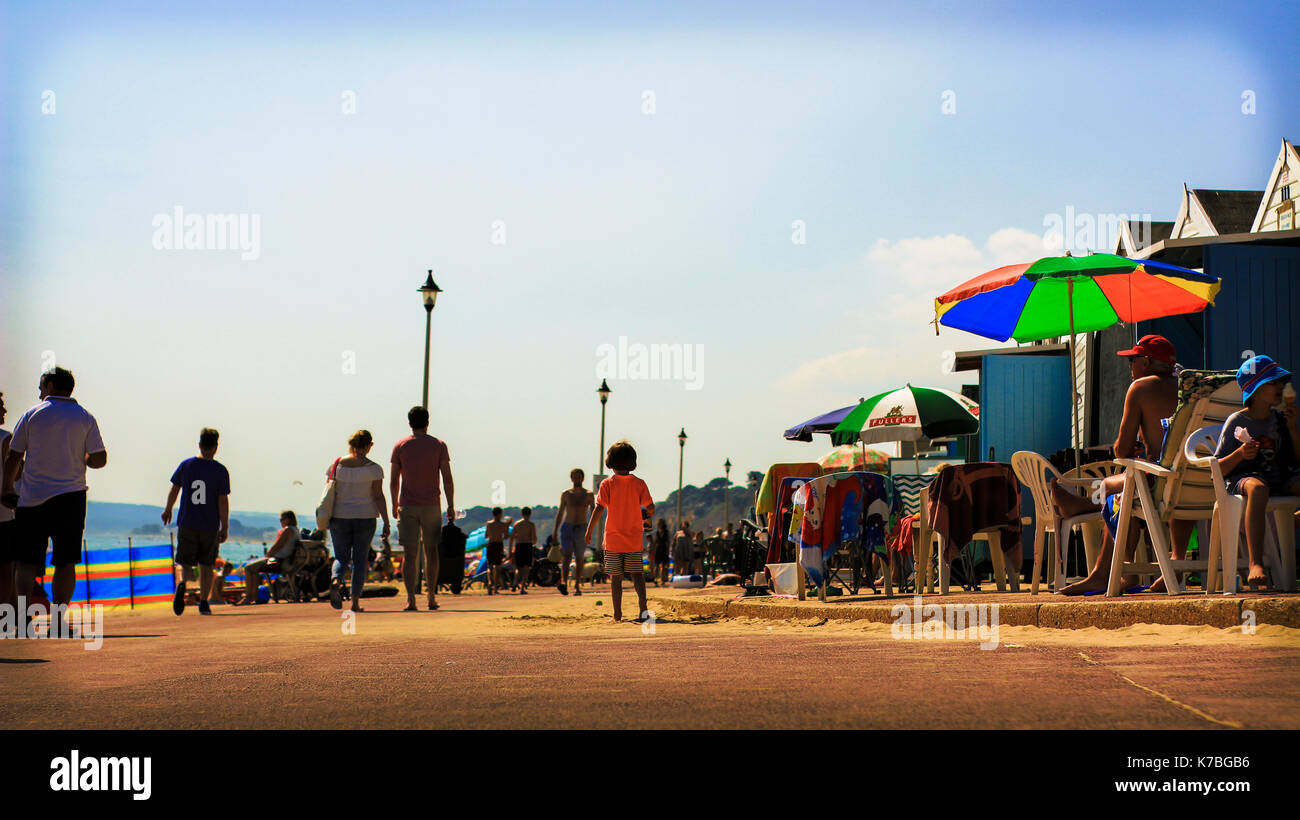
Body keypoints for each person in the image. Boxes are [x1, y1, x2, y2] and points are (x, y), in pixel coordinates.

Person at [1056, 335, 1191, 595]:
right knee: (1130, 488)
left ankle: (1104, 571)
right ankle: (1175, 564)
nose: (1130, 367)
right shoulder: (1189, 389)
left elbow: (1121, 449)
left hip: (1159, 481)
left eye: (1132, 360)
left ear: (1147, 361)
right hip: (1196, 482)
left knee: (1114, 489)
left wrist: (1137, 444)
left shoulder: (1140, 388)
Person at [1, 367, 107, 635]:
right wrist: (82, 458)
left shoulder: (32, 415)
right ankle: (59, 620)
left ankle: (24, 618)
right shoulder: (85, 417)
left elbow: (13, 457)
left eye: (41, 385)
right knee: (65, 561)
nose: (39, 391)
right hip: (71, 497)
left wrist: (6, 488)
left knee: (25, 562)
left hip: (32, 497)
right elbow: (100, 459)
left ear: (49, 385)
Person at [1214, 356, 1300, 588]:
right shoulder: (1237, 421)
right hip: (1244, 480)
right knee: (1258, 488)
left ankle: (1292, 521)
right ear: (1255, 389)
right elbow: (1218, 470)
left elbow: (1296, 459)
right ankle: (1255, 562)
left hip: (1278, 478)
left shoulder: (1281, 420)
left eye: (1281, 382)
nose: (1280, 387)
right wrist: (1240, 454)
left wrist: (1292, 429)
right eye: (1273, 382)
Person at [391, 406, 455, 612]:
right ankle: (431, 597)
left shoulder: (400, 446)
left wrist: (394, 503)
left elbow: (394, 480)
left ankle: (410, 599)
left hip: (407, 505)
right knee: (431, 552)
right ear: (428, 422)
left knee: (410, 554)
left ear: (409, 423)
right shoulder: (439, 445)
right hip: (432, 505)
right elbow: (447, 478)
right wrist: (451, 505)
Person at [162, 427, 230, 616]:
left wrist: (168, 509)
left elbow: (174, 489)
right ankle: (204, 601)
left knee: (184, 562)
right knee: (206, 564)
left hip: (187, 521)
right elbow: (222, 500)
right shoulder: (220, 470)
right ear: (216, 447)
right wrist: (224, 525)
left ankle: (183, 583)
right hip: (209, 524)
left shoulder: (186, 465)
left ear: (200, 445)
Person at [584, 440, 655, 623]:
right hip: (633, 538)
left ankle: (617, 615)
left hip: (613, 538)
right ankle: (643, 610)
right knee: (637, 575)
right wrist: (647, 516)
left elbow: (599, 508)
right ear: (632, 462)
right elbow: (650, 507)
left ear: (611, 462)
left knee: (616, 578)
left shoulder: (607, 484)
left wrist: (589, 529)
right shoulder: (639, 484)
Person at [327, 430, 390, 612]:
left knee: (341, 556)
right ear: (369, 445)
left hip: (339, 517)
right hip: (366, 517)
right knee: (360, 560)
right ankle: (355, 603)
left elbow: (329, 492)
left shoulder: (336, 466)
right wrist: (386, 521)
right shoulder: (374, 469)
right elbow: (378, 496)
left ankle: (336, 579)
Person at [239, 511, 299, 604]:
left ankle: (248, 597)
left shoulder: (288, 530)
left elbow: (277, 546)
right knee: (254, 570)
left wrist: (268, 554)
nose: (281, 522)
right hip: (286, 560)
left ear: (287, 519)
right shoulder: (296, 530)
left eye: (281, 519)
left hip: (279, 561)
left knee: (248, 568)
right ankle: (254, 597)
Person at [552, 468, 594, 596]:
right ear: (571, 478)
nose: (577, 479)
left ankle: (577, 585)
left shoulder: (588, 494)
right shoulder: (566, 494)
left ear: (582, 478)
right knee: (567, 556)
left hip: (581, 527)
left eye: (579, 477)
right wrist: (555, 531)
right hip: (567, 526)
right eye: (574, 477)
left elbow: (593, 512)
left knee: (580, 557)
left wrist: (591, 528)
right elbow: (560, 512)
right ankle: (564, 582)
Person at [0, 391, 15, 612]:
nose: (4, 410)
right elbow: (16, 474)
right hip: (3, 513)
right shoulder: (5, 438)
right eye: (1, 406)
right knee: (5, 570)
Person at [510, 507, 537, 594]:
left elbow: (512, 538)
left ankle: (515, 582)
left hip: (518, 545)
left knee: (519, 567)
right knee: (526, 568)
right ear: (530, 514)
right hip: (527, 545)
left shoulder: (517, 524)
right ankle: (522, 588)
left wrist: (510, 550)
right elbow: (534, 538)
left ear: (522, 514)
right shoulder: (531, 524)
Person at [484, 508, 509, 594]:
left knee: (490, 566)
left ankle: (490, 582)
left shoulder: (489, 524)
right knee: (497, 567)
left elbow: (486, 536)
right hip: (498, 544)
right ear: (500, 514)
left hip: (490, 544)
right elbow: (506, 536)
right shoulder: (503, 524)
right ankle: (495, 587)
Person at [650, 518, 671, 586]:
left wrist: (668, 550)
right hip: (658, 549)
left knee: (664, 565)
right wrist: (653, 549)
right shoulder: (657, 532)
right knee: (657, 565)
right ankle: (655, 579)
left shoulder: (666, 532)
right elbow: (655, 542)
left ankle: (662, 579)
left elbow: (668, 541)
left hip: (664, 548)